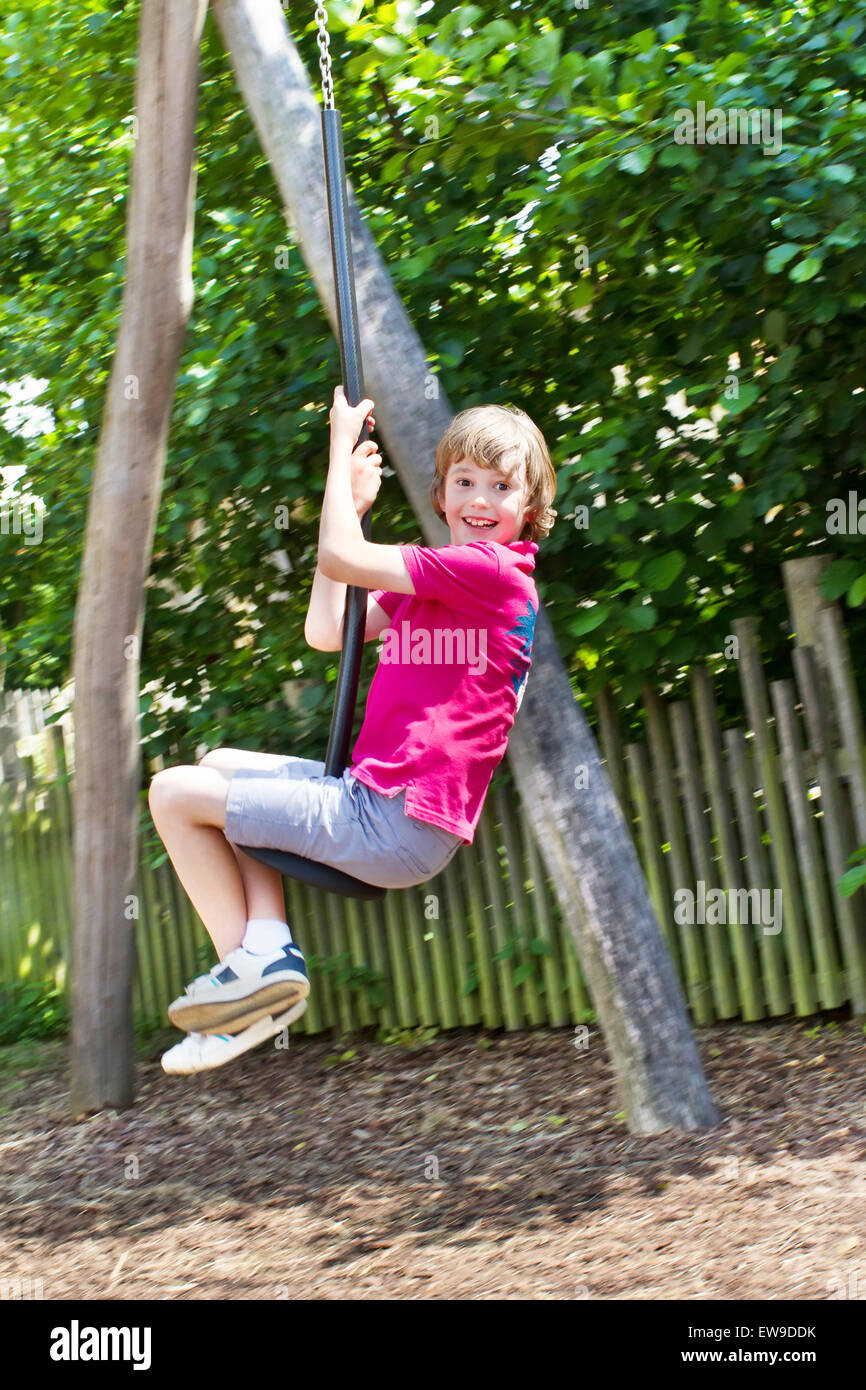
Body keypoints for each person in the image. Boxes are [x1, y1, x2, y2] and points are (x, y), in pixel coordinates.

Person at [150, 385, 557, 1073]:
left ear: (530, 508)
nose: (480, 501)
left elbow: (342, 555)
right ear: (441, 493)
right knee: (219, 764)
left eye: (500, 487)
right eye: (464, 482)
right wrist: (356, 510)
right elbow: (325, 628)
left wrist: (340, 457)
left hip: (398, 822)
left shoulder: (492, 574)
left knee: (171, 793)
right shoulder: (442, 582)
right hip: (374, 803)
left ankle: (249, 976)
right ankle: (265, 951)